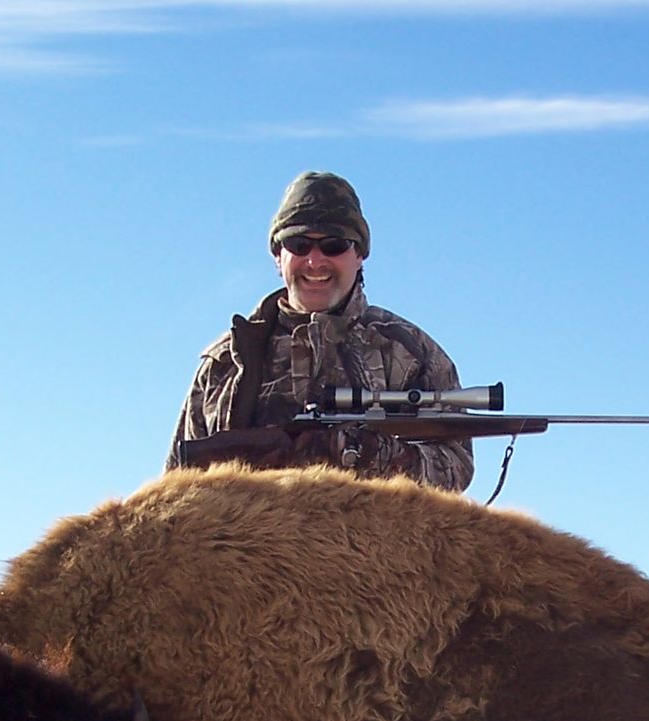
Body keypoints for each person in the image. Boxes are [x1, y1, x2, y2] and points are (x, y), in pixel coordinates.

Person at [166, 172, 473, 491]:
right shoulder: (225, 363)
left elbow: (455, 470)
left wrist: (373, 454)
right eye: (298, 245)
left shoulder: (411, 353)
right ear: (278, 256)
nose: (315, 261)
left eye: (334, 245)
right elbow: (176, 483)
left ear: (359, 255)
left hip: (371, 541)